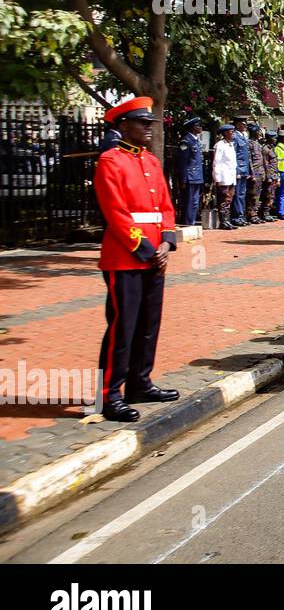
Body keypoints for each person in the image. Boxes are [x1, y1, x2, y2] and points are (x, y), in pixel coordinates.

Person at [93, 96, 181, 422]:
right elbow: (116, 215)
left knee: (148, 325)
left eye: (149, 123)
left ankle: (140, 382)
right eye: (142, 123)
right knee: (123, 327)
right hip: (125, 257)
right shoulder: (110, 162)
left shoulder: (151, 162)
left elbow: (166, 208)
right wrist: (146, 248)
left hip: (156, 256)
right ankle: (109, 393)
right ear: (123, 126)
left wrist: (167, 242)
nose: (148, 128)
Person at [177, 117, 205, 226]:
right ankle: (188, 222)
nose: (200, 128)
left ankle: (192, 221)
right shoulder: (186, 141)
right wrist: (183, 179)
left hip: (197, 176)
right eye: (198, 126)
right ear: (193, 128)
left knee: (195, 201)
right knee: (189, 201)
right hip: (190, 176)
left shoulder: (196, 140)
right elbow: (183, 162)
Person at [212, 124, 238, 230]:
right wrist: (217, 177)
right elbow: (216, 162)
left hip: (231, 176)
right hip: (223, 176)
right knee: (223, 199)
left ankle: (227, 220)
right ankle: (223, 221)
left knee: (229, 199)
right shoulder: (220, 145)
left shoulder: (231, 145)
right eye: (231, 132)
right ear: (225, 133)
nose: (233, 134)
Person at [231, 116, 252, 227]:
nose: (245, 126)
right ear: (237, 125)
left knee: (242, 194)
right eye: (243, 124)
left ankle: (241, 215)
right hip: (239, 168)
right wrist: (237, 170)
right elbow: (234, 154)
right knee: (238, 194)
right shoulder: (235, 137)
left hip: (244, 169)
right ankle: (236, 216)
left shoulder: (243, 137)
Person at [245, 122, 268, 224]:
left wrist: (264, 173)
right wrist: (252, 174)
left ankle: (255, 213)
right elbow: (249, 160)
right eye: (258, 131)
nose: (259, 133)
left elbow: (262, 160)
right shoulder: (249, 143)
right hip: (254, 173)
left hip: (260, 172)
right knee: (252, 195)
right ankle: (250, 214)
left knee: (258, 195)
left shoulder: (258, 144)